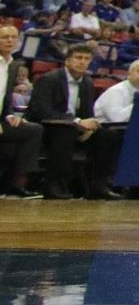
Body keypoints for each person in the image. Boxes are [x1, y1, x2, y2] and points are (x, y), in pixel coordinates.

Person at [29, 44, 124, 199]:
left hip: (75, 129)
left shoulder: (87, 83)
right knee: (66, 131)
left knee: (109, 136)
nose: (82, 62)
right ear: (67, 61)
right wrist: (77, 122)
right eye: (78, 58)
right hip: (48, 128)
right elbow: (41, 111)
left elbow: (88, 114)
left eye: (87, 59)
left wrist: (90, 129)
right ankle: (55, 184)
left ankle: (99, 185)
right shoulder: (49, 79)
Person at [0, 25, 45, 197]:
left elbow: (5, 96)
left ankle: (17, 183)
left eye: (13, 37)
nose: (10, 40)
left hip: (2, 121)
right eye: (5, 37)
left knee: (33, 130)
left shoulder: (13, 65)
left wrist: (10, 115)